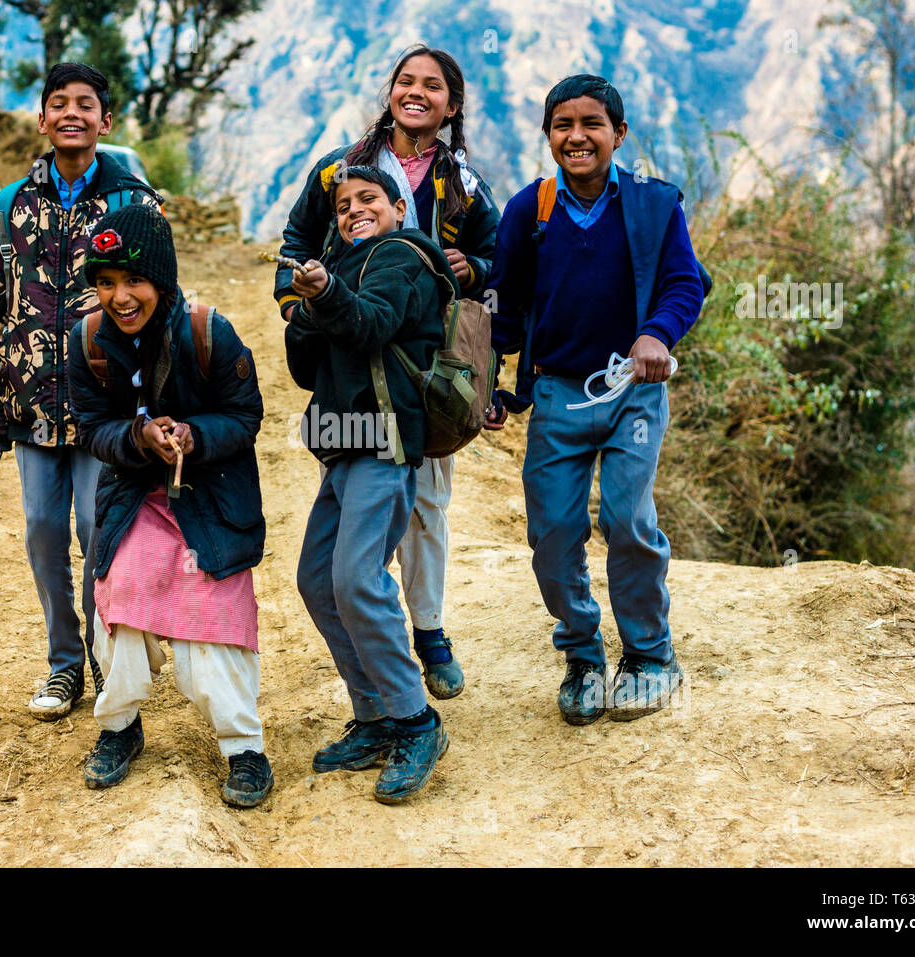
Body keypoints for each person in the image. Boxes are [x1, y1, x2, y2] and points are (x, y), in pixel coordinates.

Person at [274, 45, 500, 699]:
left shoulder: (464, 182)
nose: (417, 93)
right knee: (357, 498)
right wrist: (301, 304)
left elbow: (495, 257)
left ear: (451, 105)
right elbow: (295, 238)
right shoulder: (341, 170)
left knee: (427, 501)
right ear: (390, 90)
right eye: (406, 81)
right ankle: (382, 654)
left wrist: (472, 271)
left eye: (434, 86)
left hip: (424, 367)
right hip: (351, 358)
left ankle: (426, 632)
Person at [486, 75, 706, 726]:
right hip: (557, 393)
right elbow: (504, 306)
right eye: (562, 124)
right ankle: (582, 654)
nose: (576, 136)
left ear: (619, 134)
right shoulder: (531, 212)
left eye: (591, 124)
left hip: (634, 389)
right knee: (552, 534)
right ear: (548, 135)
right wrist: (486, 387)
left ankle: (648, 656)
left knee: (626, 518)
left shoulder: (653, 205)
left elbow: (683, 284)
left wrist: (656, 333)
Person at [68, 204, 273, 807]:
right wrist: (135, 439)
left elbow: (245, 416)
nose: (120, 297)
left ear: (162, 278)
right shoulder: (88, 342)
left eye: (133, 281)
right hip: (134, 497)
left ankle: (244, 748)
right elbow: (90, 427)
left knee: (210, 626)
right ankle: (119, 728)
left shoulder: (210, 333)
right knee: (120, 611)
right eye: (105, 283)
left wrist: (191, 435)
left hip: (208, 501)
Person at [0, 62, 157, 720]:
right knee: (44, 532)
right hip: (32, 405)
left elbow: (158, 307)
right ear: (42, 119)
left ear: (106, 122)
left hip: (104, 410)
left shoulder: (133, 204)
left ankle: (105, 654)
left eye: (87, 103)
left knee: (96, 528)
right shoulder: (8, 206)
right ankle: (62, 665)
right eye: (59, 103)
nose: (72, 113)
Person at [287, 166, 454, 805]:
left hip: (385, 442)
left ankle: (416, 720)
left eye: (369, 200)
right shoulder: (339, 266)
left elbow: (372, 325)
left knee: (357, 577)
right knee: (317, 580)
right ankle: (376, 714)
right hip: (342, 446)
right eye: (343, 205)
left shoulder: (403, 257)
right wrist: (310, 304)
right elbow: (306, 368)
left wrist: (327, 294)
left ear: (396, 207)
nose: (354, 210)